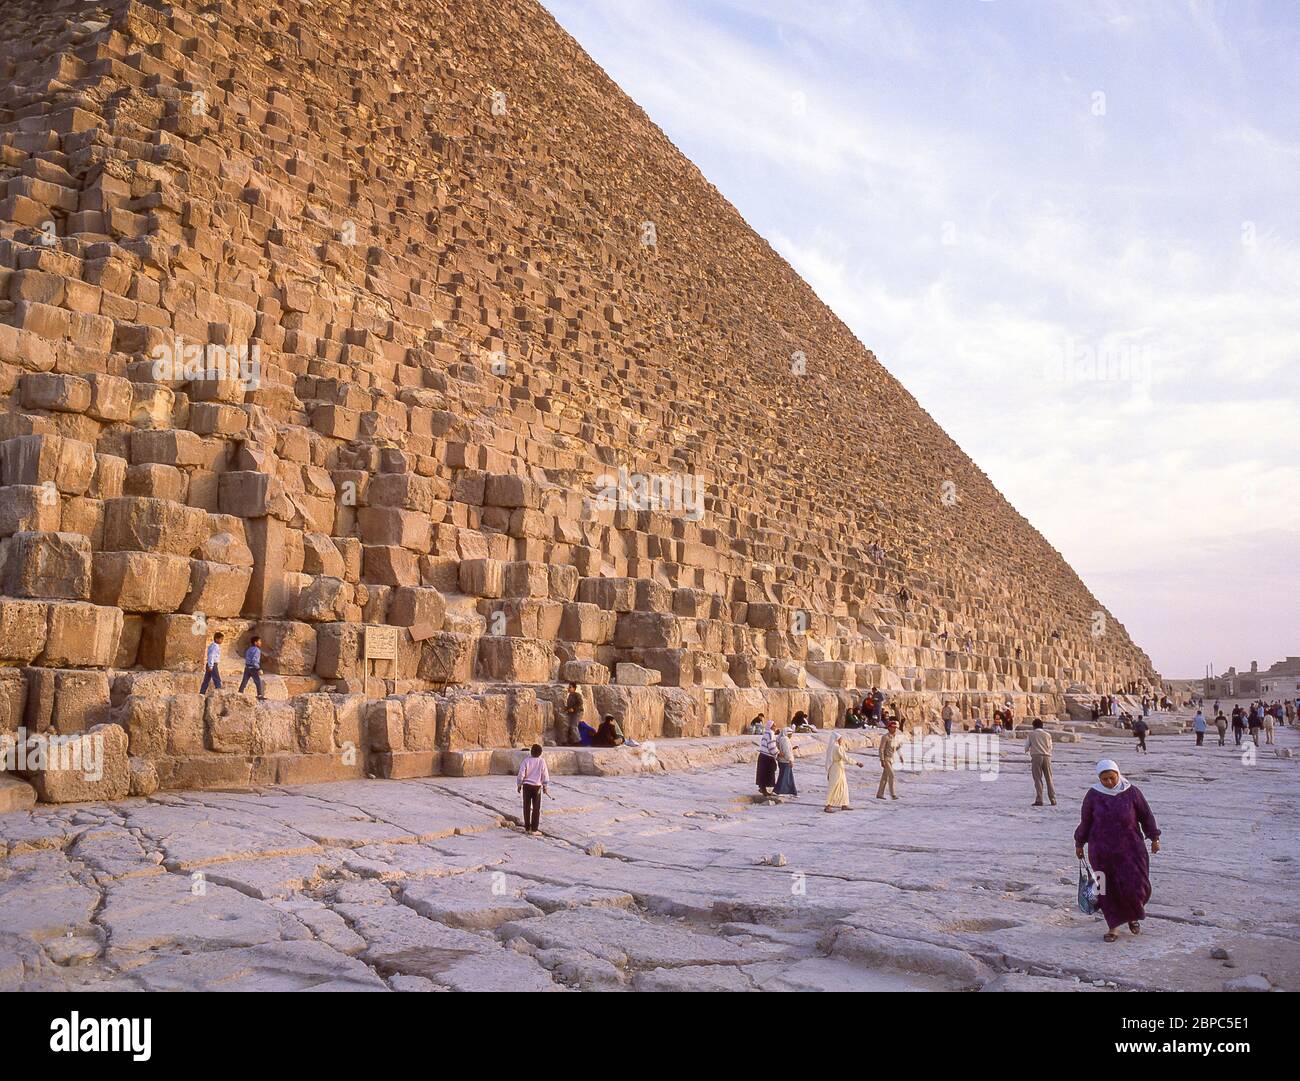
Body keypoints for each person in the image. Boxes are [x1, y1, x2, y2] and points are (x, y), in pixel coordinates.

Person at [1074, 759, 1161, 942]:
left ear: (1118, 774)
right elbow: (1086, 821)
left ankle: (1133, 916)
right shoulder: (1093, 795)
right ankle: (1112, 926)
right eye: (1104, 779)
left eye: (1112, 778)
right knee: (1106, 888)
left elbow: (1146, 815)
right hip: (1102, 851)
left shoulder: (1132, 792)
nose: (1109, 782)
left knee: (1136, 885)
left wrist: (1154, 837)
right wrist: (1079, 843)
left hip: (1131, 849)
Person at [516, 744, 550, 834]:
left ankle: (527, 828)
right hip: (537, 787)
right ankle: (534, 829)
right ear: (540, 753)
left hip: (527, 786)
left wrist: (519, 785)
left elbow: (521, 774)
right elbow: (545, 775)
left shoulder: (526, 761)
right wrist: (545, 787)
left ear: (531, 752)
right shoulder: (542, 761)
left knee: (526, 807)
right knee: (536, 808)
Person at [824, 732, 861, 811]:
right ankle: (828, 805)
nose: (842, 740)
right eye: (841, 739)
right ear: (837, 739)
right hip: (838, 768)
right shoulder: (837, 748)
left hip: (834, 767)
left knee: (842, 786)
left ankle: (844, 804)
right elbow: (845, 758)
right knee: (835, 787)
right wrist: (856, 763)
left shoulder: (831, 747)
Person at [1024, 718, 1056, 806]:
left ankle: (1039, 799)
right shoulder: (1047, 735)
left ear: (1034, 726)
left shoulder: (1031, 734)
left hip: (1036, 756)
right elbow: (1050, 747)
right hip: (1047, 756)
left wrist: (1029, 750)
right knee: (1049, 778)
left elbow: (1026, 747)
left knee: (1037, 778)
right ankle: (1052, 798)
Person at [876, 718, 901, 800]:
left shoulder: (895, 737)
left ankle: (880, 794)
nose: (894, 729)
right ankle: (893, 794)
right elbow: (881, 749)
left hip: (891, 759)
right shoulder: (885, 737)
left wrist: (900, 756)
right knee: (892, 775)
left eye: (895, 727)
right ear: (889, 727)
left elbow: (896, 748)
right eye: (893, 727)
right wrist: (882, 760)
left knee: (885, 777)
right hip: (886, 759)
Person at [755, 718, 778, 797]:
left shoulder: (766, 733)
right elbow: (771, 746)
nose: (775, 727)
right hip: (768, 757)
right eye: (774, 726)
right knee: (768, 773)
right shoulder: (771, 734)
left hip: (762, 756)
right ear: (771, 727)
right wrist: (777, 753)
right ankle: (764, 790)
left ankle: (762, 788)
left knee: (762, 773)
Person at [774, 726, 797, 797]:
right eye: (790, 734)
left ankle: (789, 790)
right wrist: (790, 760)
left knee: (786, 776)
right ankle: (781, 791)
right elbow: (786, 751)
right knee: (784, 777)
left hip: (782, 760)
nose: (791, 735)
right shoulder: (785, 739)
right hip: (785, 761)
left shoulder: (781, 739)